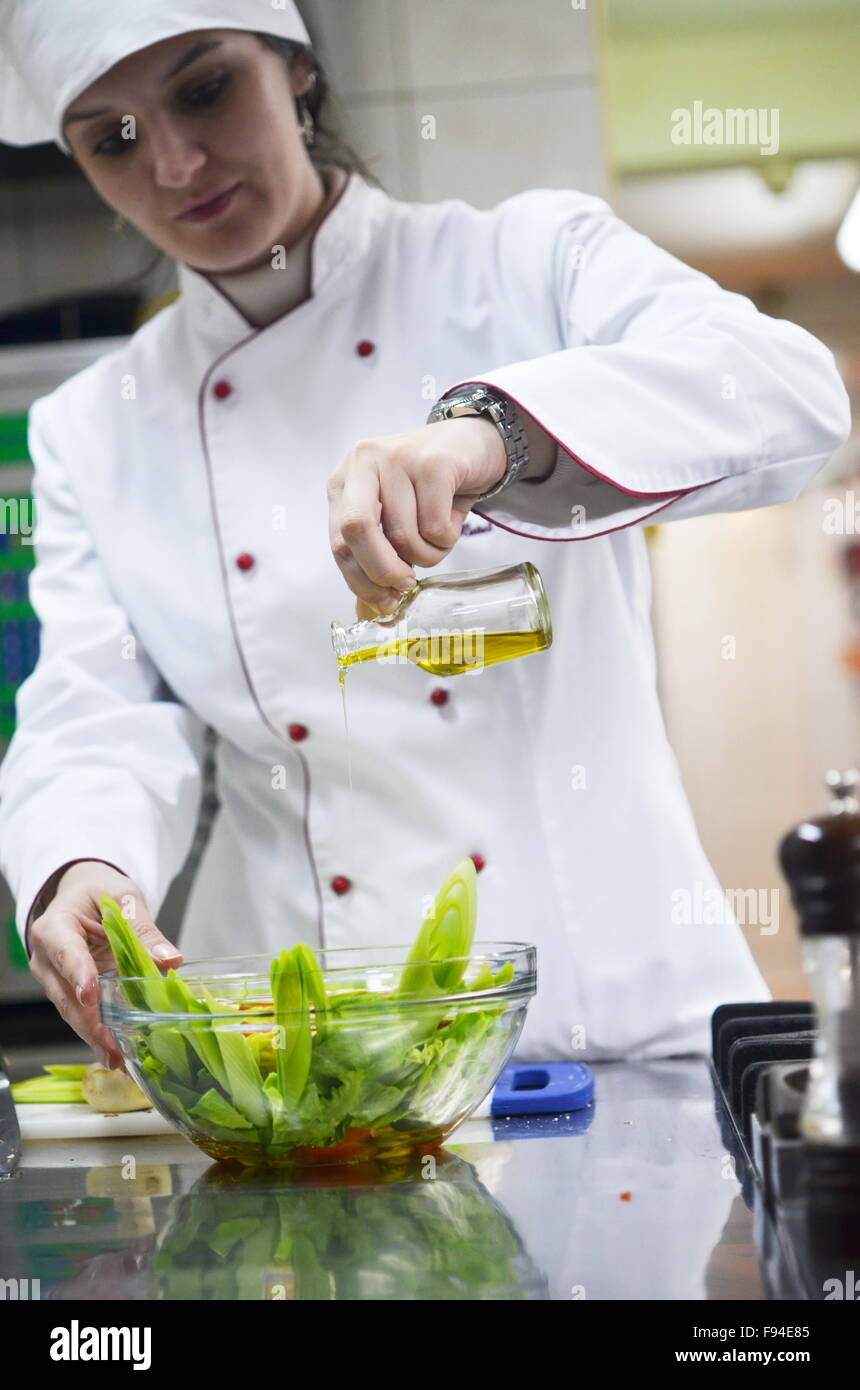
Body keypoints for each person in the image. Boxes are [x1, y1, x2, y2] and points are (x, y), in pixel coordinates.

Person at [0, 0, 850, 1069]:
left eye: (205, 87)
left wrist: (497, 434)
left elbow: (788, 395)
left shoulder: (522, 262)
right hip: (313, 1054)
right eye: (109, 137)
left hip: (607, 1022)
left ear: (295, 67)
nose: (172, 161)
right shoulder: (93, 425)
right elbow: (98, 709)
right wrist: (79, 861)